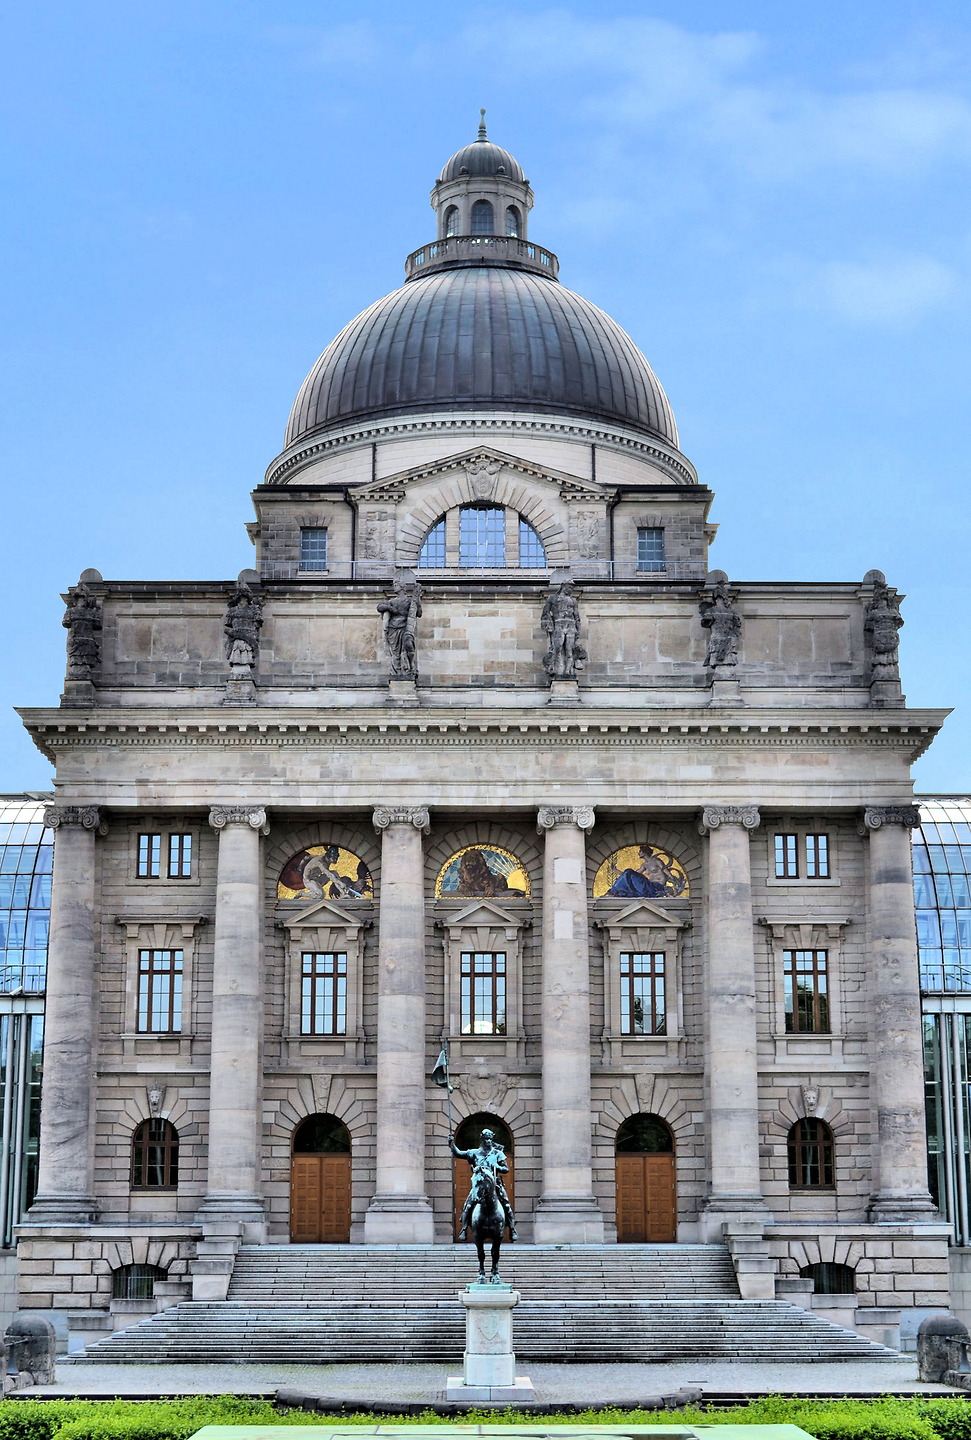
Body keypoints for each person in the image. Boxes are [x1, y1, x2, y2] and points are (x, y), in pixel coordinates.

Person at [451, 1128, 517, 1240]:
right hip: (479, 1184)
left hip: (495, 1185)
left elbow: (506, 1169)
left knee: (506, 1204)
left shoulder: (498, 1153)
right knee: (468, 1204)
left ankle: (512, 1228)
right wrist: (451, 1143)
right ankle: (464, 1228)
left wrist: (498, 1167)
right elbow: (458, 1153)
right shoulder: (474, 1153)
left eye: (490, 1139)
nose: (488, 1141)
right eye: (486, 1139)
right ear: (482, 1139)